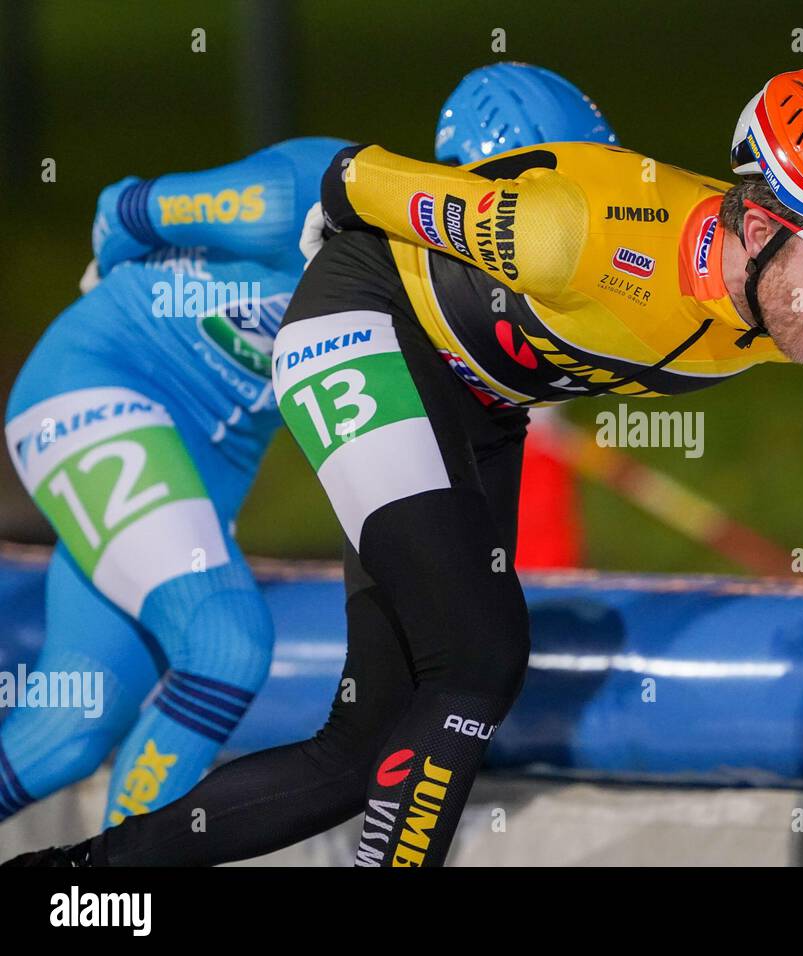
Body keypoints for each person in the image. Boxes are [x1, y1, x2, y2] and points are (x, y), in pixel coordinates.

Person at [6, 67, 803, 867]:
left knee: (358, 750)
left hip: (478, 400)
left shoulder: (781, 312)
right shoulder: (571, 233)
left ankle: (72, 881)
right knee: (480, 654)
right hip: (363, 321)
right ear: (768, 220)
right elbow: (350, 179)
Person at [0, 63, 614, 843]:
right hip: (95, 389)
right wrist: (123, 294)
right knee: (226, 646)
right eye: (546, 216)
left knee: (67, 729)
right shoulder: (302, 189)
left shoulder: (458, 303)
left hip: (194, 462)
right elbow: (122, 209)